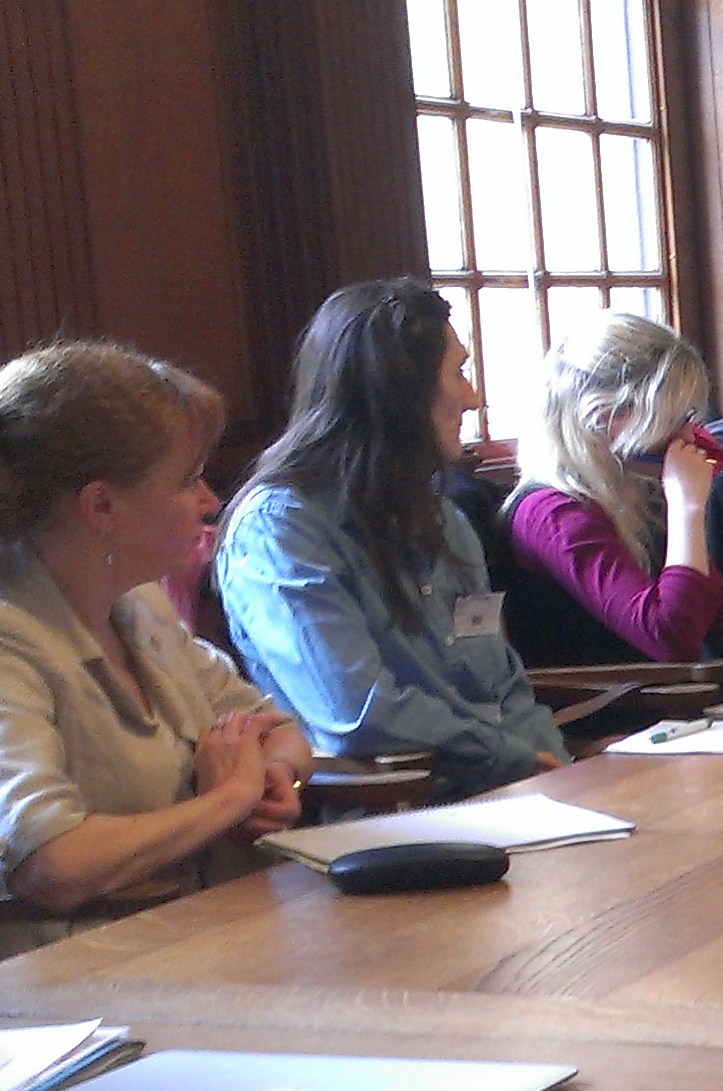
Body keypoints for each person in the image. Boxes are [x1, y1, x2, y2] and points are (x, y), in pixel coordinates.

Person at [0, 344, 313, 990]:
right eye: (185, 479)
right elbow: (53, 863)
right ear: (101, 507)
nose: (209, 499)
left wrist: (275, 774)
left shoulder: (131, 603)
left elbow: (277, 727)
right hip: (51, 1004)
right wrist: (230, 798)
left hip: (194, 954)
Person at [220, 280, 565, 796]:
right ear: (397, 395)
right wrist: (515, 762)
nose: (472, 397)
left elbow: (503, 683)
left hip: (503, 790)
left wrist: (557, 769)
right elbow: (357, 712)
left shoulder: (444, 516)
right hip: (389, 812)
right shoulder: (280, 530)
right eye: (458, 373)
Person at [502, 311, 723, 669]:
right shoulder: (552, 513)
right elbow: (670, 639)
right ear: (603, 417)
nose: (690, 437)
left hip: (683, 707)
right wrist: (688, 508)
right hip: (614, 712)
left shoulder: (637, 499)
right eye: (673, 420)